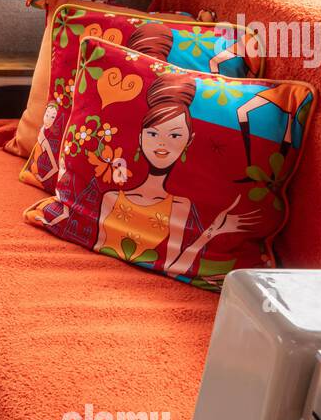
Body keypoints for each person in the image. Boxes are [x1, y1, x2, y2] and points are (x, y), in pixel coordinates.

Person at [92, 74, 257, 275]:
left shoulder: (179, 206)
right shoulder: (111, 197)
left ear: (189, 140)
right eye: (153, 133)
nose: (162, 143)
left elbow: (172, 268)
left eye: (175, 135)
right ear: (141, 137)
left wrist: (213, 230)